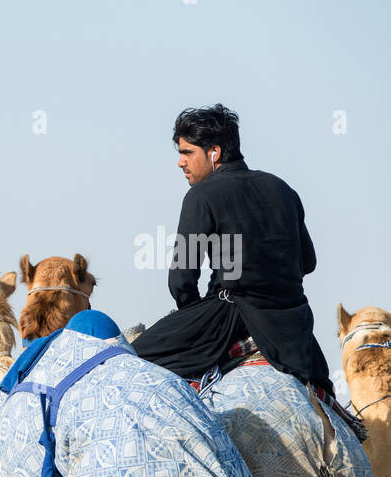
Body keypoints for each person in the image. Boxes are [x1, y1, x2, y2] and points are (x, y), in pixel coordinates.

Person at [131, 104, 334, 396]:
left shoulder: (200, 195)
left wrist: (197, 320)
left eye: (187, 153)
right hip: (295, 326)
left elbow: (181, 281)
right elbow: (308, 262)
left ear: (214, 152)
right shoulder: (283, 189)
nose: (180, 163)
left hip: (230, 314)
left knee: (129, 360)